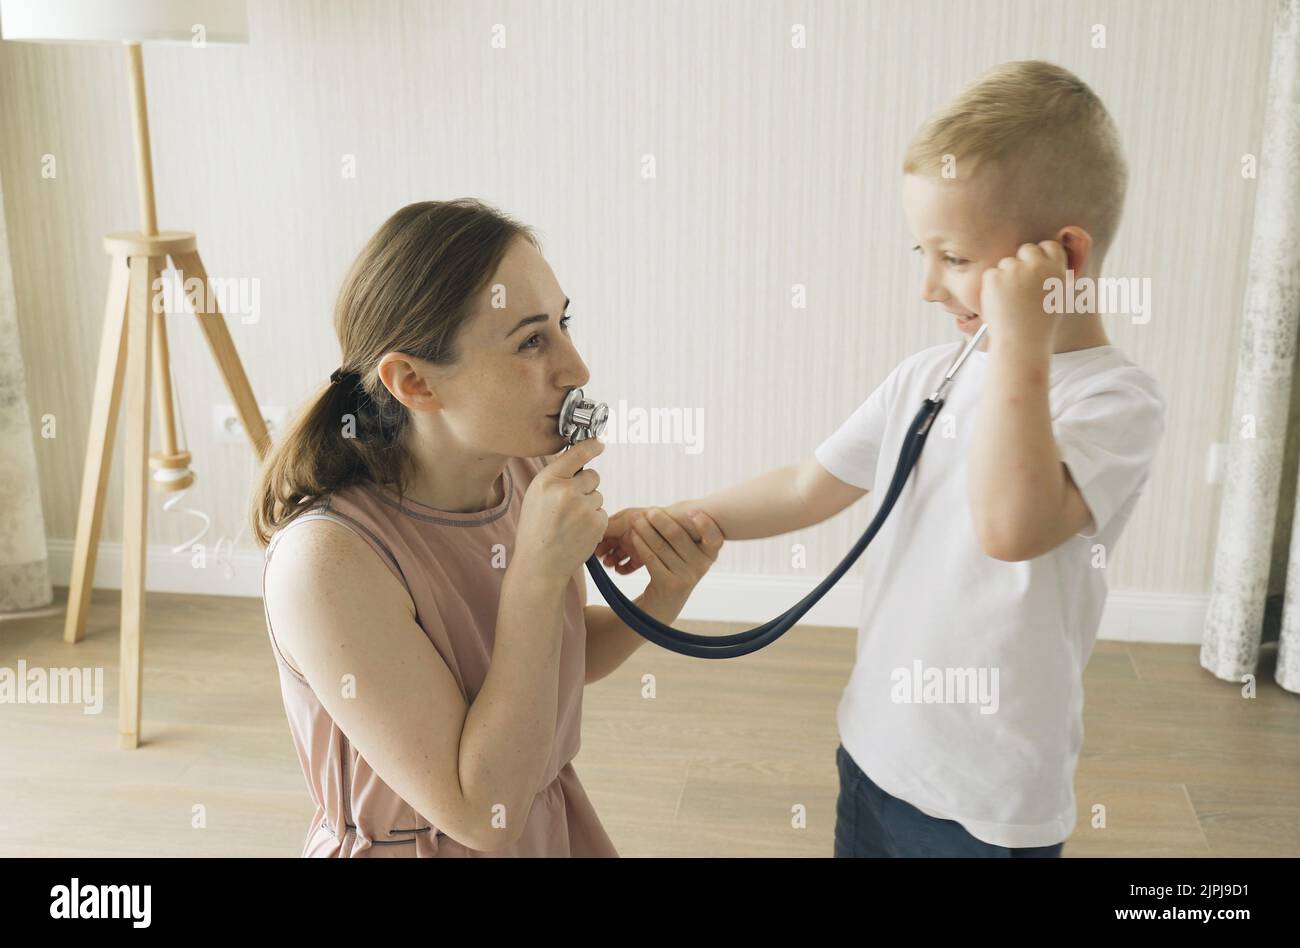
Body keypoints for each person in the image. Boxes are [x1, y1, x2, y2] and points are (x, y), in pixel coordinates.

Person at [597, 60, 1167, 857]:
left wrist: (1022, 344)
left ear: (1061, 260)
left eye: (956, 258)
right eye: (921, 252)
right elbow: (808, 485)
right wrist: (683, 519)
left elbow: (1012, 525)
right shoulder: (928, 378)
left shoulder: (1113, 403)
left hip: (988, 801)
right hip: (876, 752)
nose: (930, 286)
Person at [253, 199, 724, 856]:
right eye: (532, 341)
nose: (577, 369)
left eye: (563, 324)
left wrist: (660, 597)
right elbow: (485, 815)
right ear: (413, 382)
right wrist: (536, 572)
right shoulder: (326, 563)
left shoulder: (523, 471)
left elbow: (542, 666)